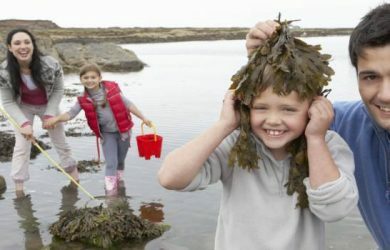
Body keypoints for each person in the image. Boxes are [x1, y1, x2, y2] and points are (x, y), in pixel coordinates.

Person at [158, 20, 358, 250]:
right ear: (244, 106)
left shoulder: (329, 145)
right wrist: (224, 124)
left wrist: (315, 139)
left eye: (288, 109)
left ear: (313, 108)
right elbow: (170, 177)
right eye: (261, 108)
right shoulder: (236, 144)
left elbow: (335, 210)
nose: (273, 119)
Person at [245, 4, 390, 249]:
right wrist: (263, 62)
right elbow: (285, 115)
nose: (385, 95)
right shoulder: (344, 123)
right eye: (371, 77)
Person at [46, 63, 152, 195]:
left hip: (124, 131)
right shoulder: (82, 100)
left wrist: (143, 118)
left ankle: (119, 183)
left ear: (99, 78)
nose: (89, 80)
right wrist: (56, 119)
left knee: (120, 161)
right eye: (86, 78)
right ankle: (111, 194)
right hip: (107, 134)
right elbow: (70, 114)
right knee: (111, 163)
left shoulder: (112, 91)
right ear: (81, 80)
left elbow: (129, 105)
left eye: (93, 77)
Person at [0, 29, 78, 194]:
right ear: (9, 47)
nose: (23, 47)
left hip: (48, 105)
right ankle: (19, 191)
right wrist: (24, 123)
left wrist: (50, 115)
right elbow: (7, 101)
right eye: (17, 43)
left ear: (33, 45)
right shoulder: (4, 71)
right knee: (21, 146)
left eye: (27, 42)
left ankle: (75, 181)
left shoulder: (51, 64)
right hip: (23, 107)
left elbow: (57, 90)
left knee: (61, 143)